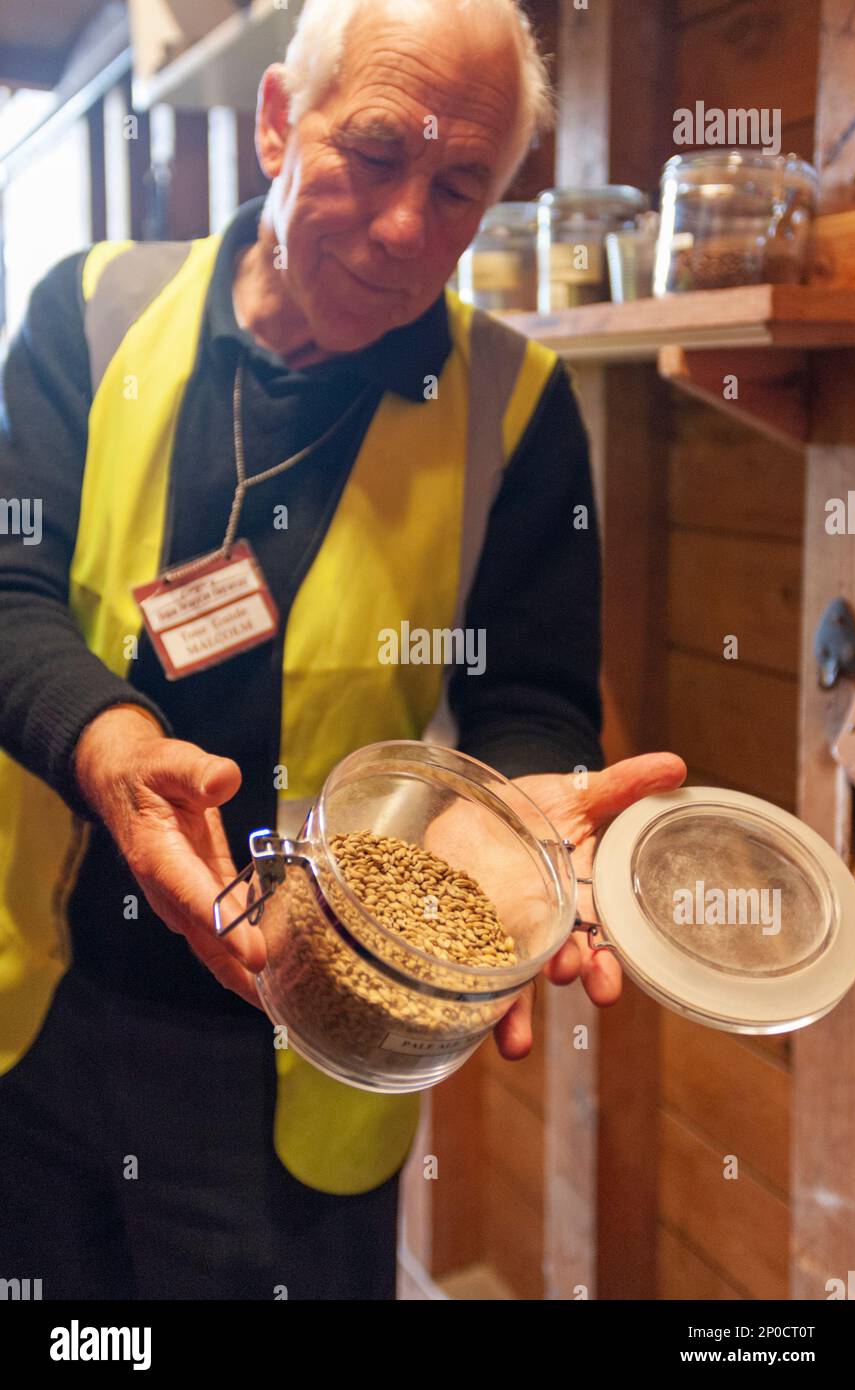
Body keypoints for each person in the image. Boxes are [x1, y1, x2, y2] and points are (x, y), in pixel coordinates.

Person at [0, 0, 685, 1300]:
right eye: (372, 156)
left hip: (306, 1041)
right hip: (38, 998)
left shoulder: (518, 408)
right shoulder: (87, 313)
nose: (403, 230)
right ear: (275, 123)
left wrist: (521, 816)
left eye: (458, 188)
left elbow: (527, 698)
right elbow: (8, 585)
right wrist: (113, 744)